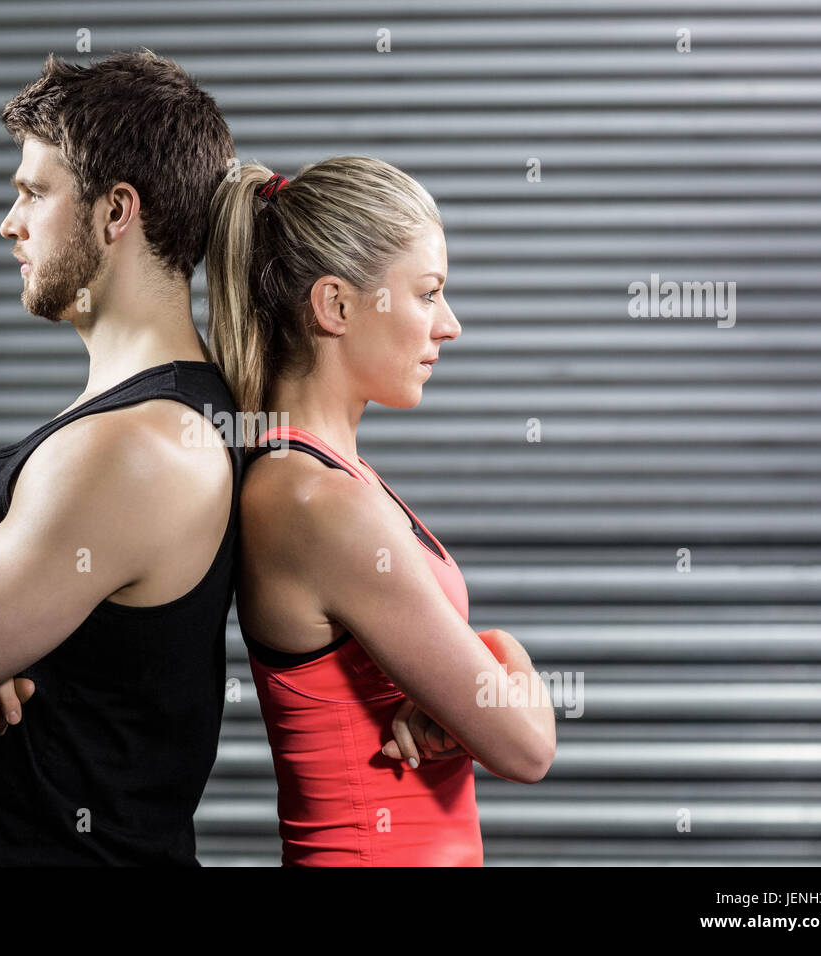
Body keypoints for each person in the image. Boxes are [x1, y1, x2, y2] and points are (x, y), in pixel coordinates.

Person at [0, 50, 243, 866]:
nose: (9, 220)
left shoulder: (132, 450)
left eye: (34, 191)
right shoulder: (162, 417)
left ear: (115, 212)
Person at [205, 157, 557, 865]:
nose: (450, 326)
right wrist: (503, 652)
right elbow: (525, 747)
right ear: (335, 306)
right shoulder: (317, 501)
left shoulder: (338, 479)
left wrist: (469, 687)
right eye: (428, 295)